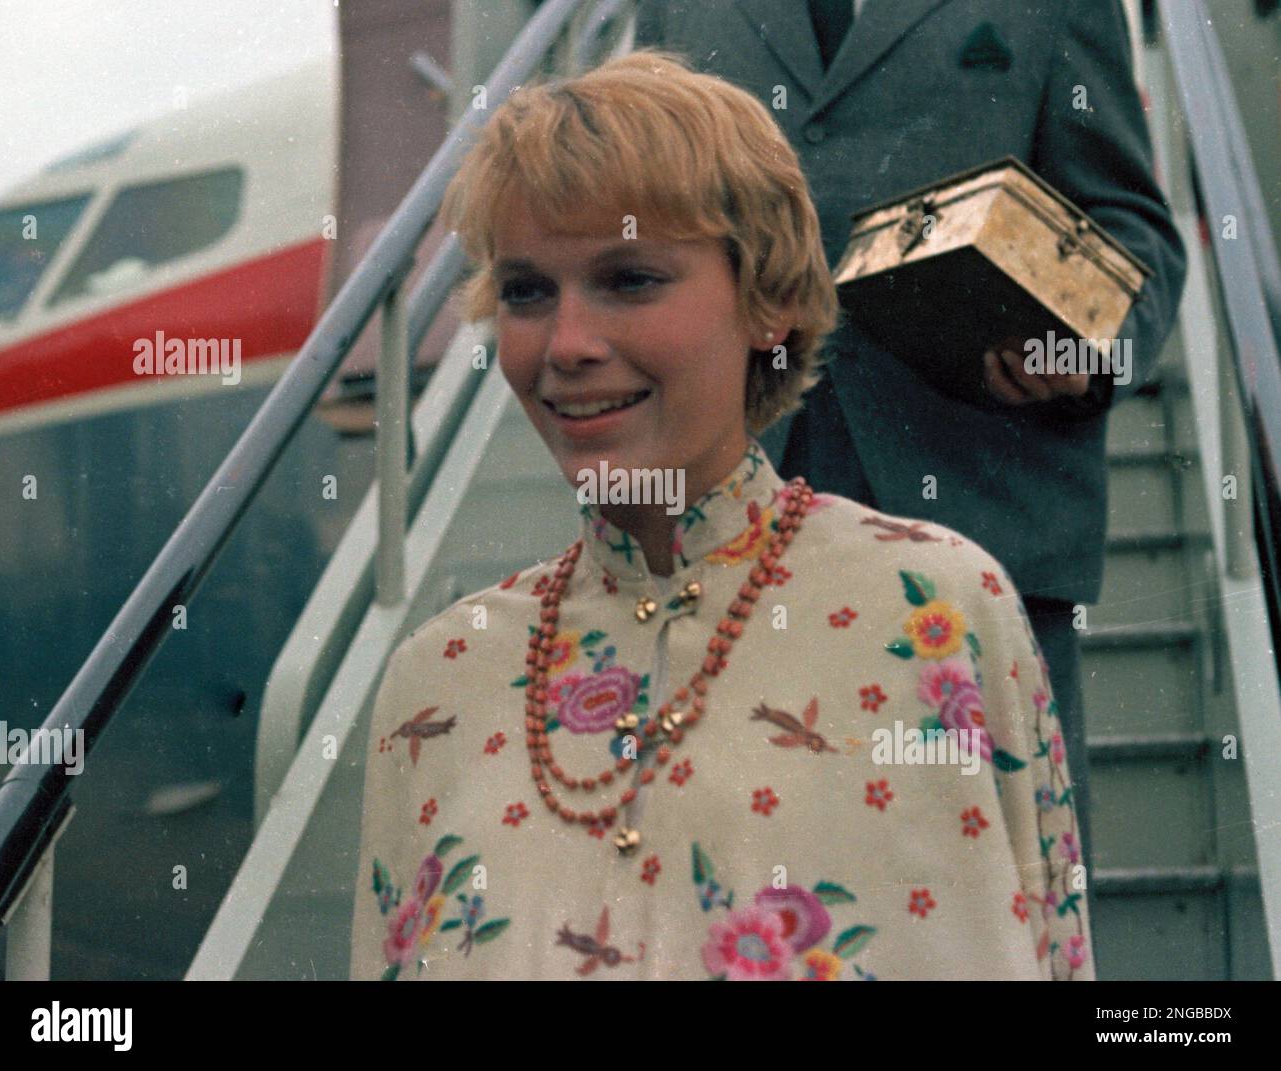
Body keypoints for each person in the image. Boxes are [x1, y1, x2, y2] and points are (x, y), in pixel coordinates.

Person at [350, 50, 1093, 981]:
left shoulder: (937, 611)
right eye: (528, 291)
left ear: (771, 301)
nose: (568, 344)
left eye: (629, 280)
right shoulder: (436, 684)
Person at [634, 0, 1189, 891]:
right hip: (727, 523)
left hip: (984, 526)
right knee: (743, 902)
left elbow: (1132, 228)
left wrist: (1079, 349)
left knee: (1000, 906)